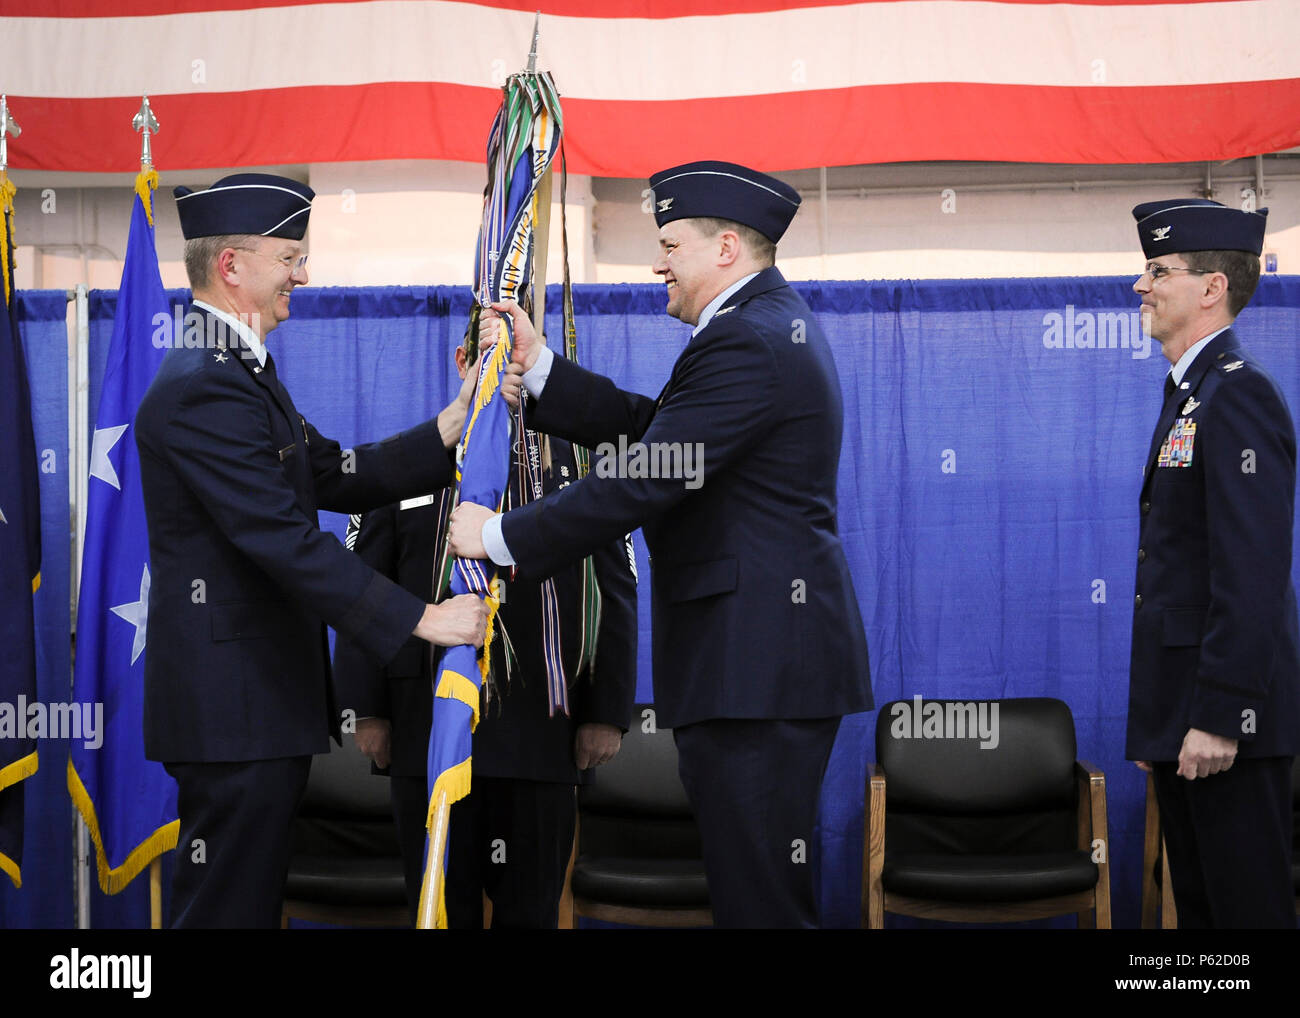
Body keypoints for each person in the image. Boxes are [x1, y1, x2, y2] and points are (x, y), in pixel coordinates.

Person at [447, 160, 873, 928]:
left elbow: (643, 478)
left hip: (757, 669)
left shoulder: (749, 340)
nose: (657, 262)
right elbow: (661, 440)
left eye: (671, 243)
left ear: (726, 249)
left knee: (761, 904)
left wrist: (501, 536)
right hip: (753, 667)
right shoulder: (758, 330)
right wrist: (537, 368)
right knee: (755, 894)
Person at [134, 173, 487, 928]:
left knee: (247, 905)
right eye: (291, 256)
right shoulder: (204, 384)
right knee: (227, 908)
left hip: (254, 703)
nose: (305, 273)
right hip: (234, 706)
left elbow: (335, 473)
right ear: (232, 267)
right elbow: (283, 541)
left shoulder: (239, 371)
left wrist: (450, 428)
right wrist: (423, 619)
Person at [333, 334, 638, 928]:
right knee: (441, 909)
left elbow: (616, 589)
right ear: (461, 363)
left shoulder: (583, 468)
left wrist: (607, 710)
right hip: (425, 727)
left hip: (541, 734)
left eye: (515, 358)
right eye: (490, 358)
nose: (507, 372)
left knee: (531, 912)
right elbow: (361, 584)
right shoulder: (408, 460)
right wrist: (366, 708)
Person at [1126, 197, 1300, 927]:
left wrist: (1222, 716)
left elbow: (1251, 573)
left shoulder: (1238, 395)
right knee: (1201, 918)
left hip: (1227, 725)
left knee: (1246, 916)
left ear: (1210, 287)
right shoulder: (1192, 395)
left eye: (1157, 269)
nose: (1141, 285)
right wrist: (1160, 723)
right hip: (1187, 718)